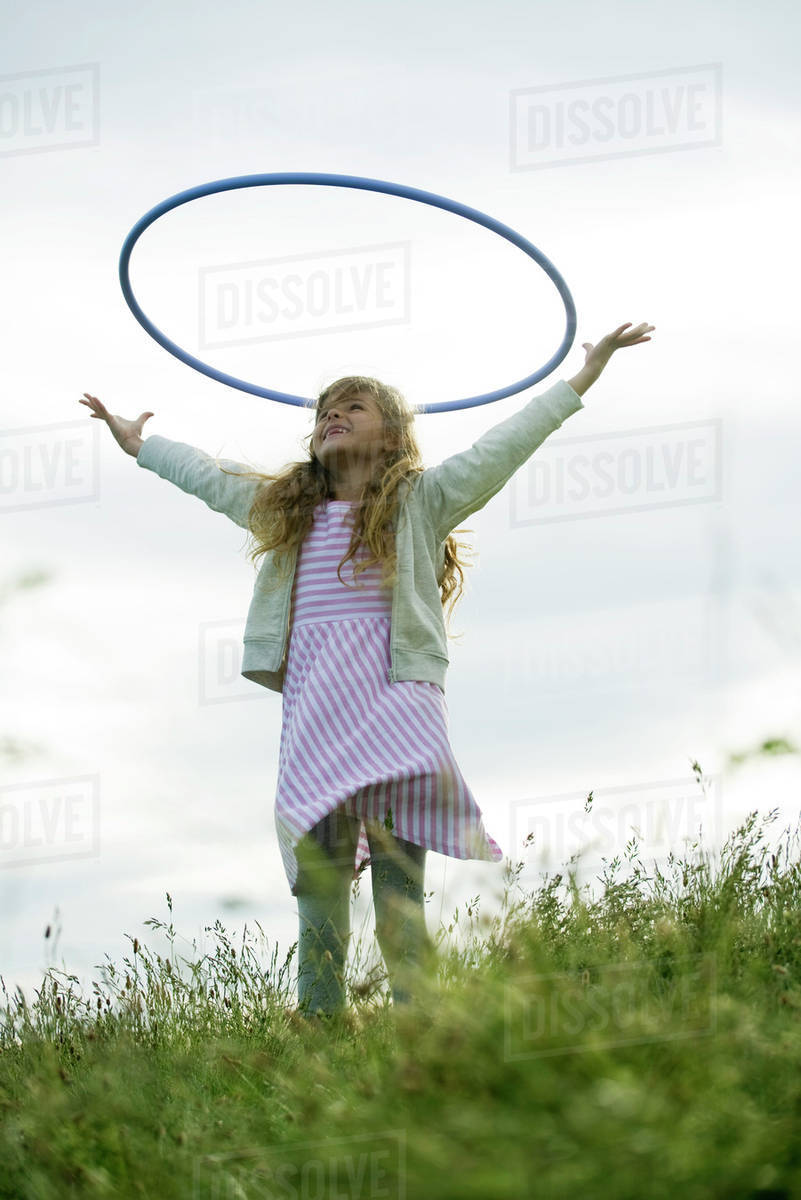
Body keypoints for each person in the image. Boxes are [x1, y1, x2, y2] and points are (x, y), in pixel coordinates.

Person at [79, 320, 655, 1021]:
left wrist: (583, 376)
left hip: (397, 719)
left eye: (353, 407)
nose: (333, 416)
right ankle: (321, 1028)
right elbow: (208, 477)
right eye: (326, 410)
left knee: (398, 901)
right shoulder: (284, 514)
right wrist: (141, 445)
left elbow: (502, 447)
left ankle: (420, 1028)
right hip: (317, 726)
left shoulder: (421, 503)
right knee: (318, 896)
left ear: (390, 438)